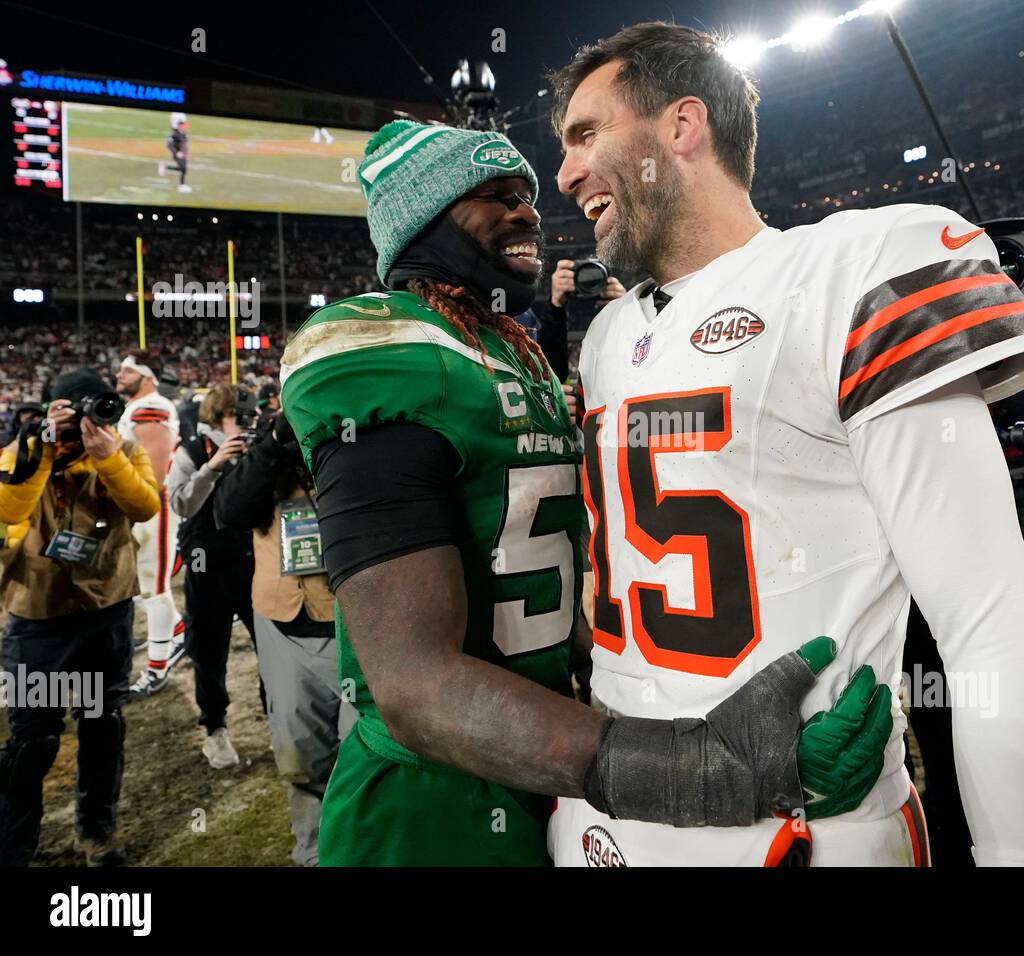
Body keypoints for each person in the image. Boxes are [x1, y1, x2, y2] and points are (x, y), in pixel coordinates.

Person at [547, 21, 1024, 866]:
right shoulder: (609, 336)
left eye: (587, 134)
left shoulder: (848, 270)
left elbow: (988, 635)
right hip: (604, 810)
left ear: (681, 127)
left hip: (794, 835)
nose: (566, 171)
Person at [281, 120, 890, 866]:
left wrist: (684, 693)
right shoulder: (388, 351)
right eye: (495, 198)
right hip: (432, 798)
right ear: (422, 222)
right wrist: (700, 768)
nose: (528, 212)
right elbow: (415, 687)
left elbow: (544, 587)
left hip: (544, 754)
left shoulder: (516, 356)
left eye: (527, 196)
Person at [0, 368, 160, 866]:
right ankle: (14, 846)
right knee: (33, 737)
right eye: (73, 411)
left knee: (101, 723)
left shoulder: (123, 450)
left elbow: (145, 506)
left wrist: (108, 459)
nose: (87, 421)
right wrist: (45, 450)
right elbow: (8, 512)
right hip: (39, 618)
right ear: (52, 411)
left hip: (103, 610)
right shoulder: (22, 452)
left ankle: (96, 833)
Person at [211, 411, 354, 866]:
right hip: (284, 621)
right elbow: (229, 511)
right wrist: (273, 443)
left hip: (359, 625)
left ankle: (362, 849)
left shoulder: (359, 435)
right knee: (299, 751)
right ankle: (312, 852)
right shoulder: (267, 450)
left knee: (364, 753)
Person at [167, 383, 255, 769]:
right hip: (206, 563)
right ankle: (215, 728)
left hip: (251, 559)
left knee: (272, 641)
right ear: (218, 416)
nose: (248, 422)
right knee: (208, 648)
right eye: (240, 415)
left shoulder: (256, 447)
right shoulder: (190, 450)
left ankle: (279, 710)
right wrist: (213, 467)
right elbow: (181, 503)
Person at [115, 350, 187, 698]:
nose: (118, 375)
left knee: (153, 586)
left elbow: (154, 472)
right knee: (145, 585)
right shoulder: (138, 407)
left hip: (152, 505)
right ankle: (178, 631)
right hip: (144, 505)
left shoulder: (153, 405)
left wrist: (132, 507)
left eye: (126, 370)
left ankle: (157, 667)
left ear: (146, 375)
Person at [159, 116, 191, 193]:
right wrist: (176, 152)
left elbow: (184, 145)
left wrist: (186, 152)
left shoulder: (184, 134)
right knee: (183, 169)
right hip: (178, 155)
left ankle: (166, 168)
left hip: (183, 155)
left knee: (184, 169)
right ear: (179, 126)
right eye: (183, 126)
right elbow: (169, 144)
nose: (185, 128)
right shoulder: (174, 134)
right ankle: (181, 186)